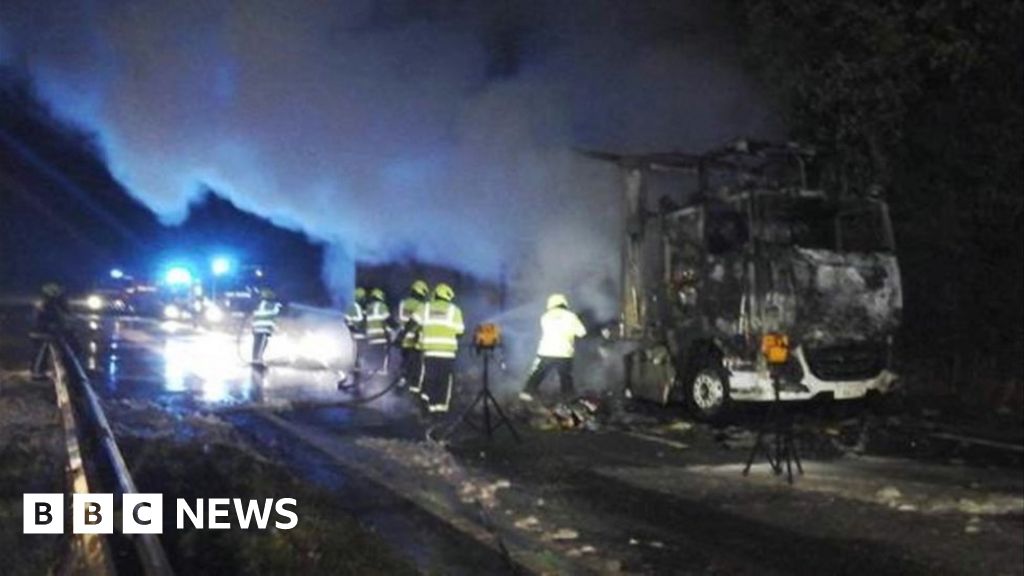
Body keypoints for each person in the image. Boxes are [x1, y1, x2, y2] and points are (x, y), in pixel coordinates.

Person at [519, 293, 587, 402]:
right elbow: (582, 333)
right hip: (564, 352)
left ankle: (527, 392)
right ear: (564, 303)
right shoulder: (571, 316)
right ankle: (568, 397)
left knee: (539, 372)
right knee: (565, 377)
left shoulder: (545, 317)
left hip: (546, 351)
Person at [412, 283, 464, 413]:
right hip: (447, 354)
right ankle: (440, 412)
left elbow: (412, 322)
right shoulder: (454, 310)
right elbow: (460, 331)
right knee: (444, 382)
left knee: (430, 379)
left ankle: (429, 408)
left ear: (436, 294)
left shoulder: (426, 307)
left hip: (429, 351)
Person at [30, 283, 73, 379]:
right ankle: (37, 372)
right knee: (41, 353)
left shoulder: (46, 303)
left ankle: (40, 371)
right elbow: (53, 317)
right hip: (42, 333)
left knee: (43, 353)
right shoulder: (48, 304)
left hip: (43, 332)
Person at [397, 280, 429, 390]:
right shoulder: (421, 306)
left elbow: (401, 321)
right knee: (416, 368)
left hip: (404, 340)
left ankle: (400, 387)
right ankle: (413, 392)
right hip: (416, 341)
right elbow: (420, 323)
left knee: (404, 366)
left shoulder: (403, 303)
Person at [363, 287, 391, 375]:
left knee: (373, 357)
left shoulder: (368, 308)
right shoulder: (381, 306)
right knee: (382, 358)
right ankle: (380, 374)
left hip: (370, 338)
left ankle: (370, 373)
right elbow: (388, 320)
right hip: (380, 337)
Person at [251, 289, 282, 367]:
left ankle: (254, 358)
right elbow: (276, 311)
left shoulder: (259, 305)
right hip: (264, 329)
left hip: (256, 329)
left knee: (256, 344)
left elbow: (254, 316)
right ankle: (258, 360)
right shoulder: (273, 306)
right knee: (262, 345)